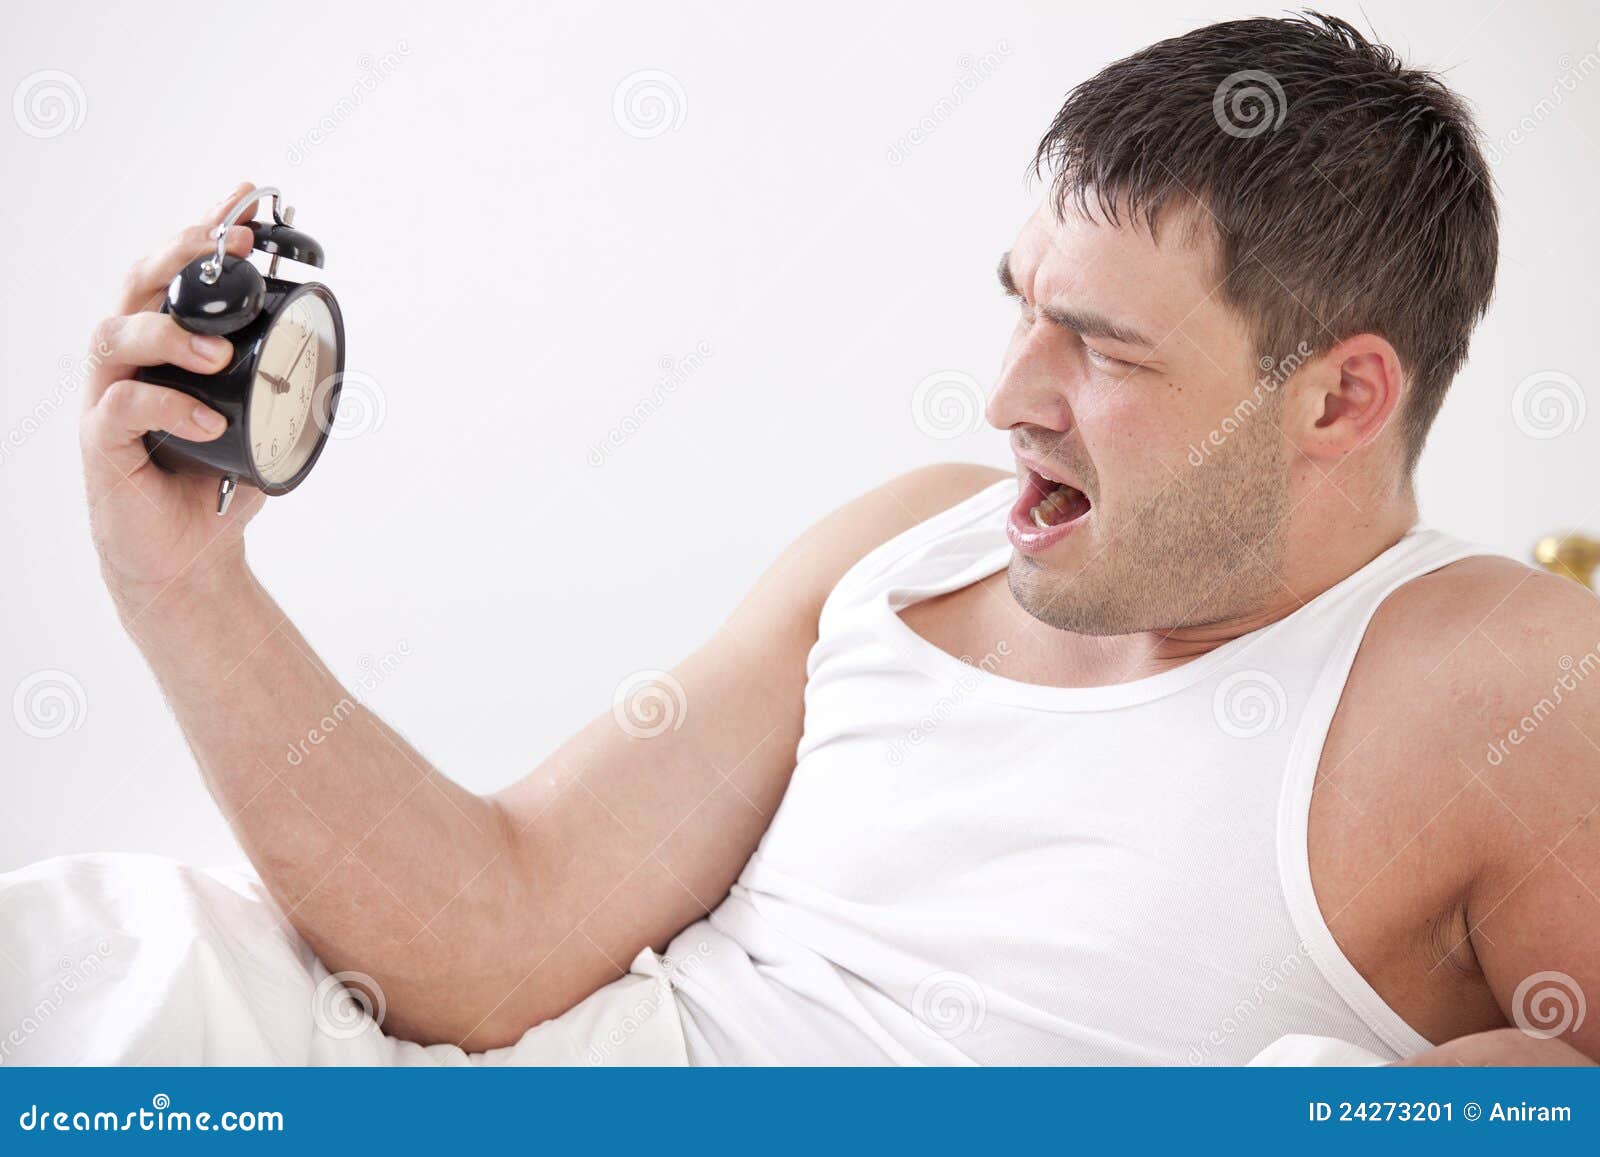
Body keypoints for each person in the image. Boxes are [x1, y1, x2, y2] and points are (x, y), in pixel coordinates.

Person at [62, 13, 1598, 1064]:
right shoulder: (916, 543)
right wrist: (185, 588)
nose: (1007, 394)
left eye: (1104, 350)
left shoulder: (1507, 683)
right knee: (83, 957)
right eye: (1018, 300)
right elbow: (497, 928)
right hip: (445, 1076)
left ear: (1338, 398)